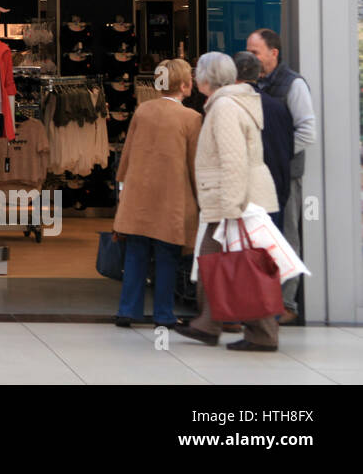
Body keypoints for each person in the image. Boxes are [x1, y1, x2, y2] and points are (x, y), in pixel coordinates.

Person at [175, 53, 281, 351]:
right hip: (232, 200)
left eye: (198, 72)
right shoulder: (230, 102)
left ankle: (260, 332)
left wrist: (232, 208)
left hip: (232, 202)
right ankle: (209, 322)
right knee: (216, 260)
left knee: (240, 264)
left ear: (206, 78)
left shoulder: (223, 107)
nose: (195, 77)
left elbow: (233, 160)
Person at [110, 58, 201, 328]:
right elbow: (194, 163)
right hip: (172, 198)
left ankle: (127, 310)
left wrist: (122, 185)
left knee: (136, 253)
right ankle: (163, 314)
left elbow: (126, 155)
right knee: (167, 256)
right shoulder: (192, 118)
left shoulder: (143, 111)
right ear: (184, 86)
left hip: (139, 194)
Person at [245, 28, 315, 320]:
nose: (251, 57)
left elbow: (307, 131)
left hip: (285, 176)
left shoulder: (293, 85)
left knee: (286, 236)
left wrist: (278, 156)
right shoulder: (254, 85)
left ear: (274, 53)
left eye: (255, 52)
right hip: (259, 175)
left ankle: (287, 304)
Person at [234, 51, 293, 232]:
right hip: (274, 195)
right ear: (259, 74)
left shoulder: (228, 105)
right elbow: (287, 150)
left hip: (242, 199)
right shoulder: (278, 107)